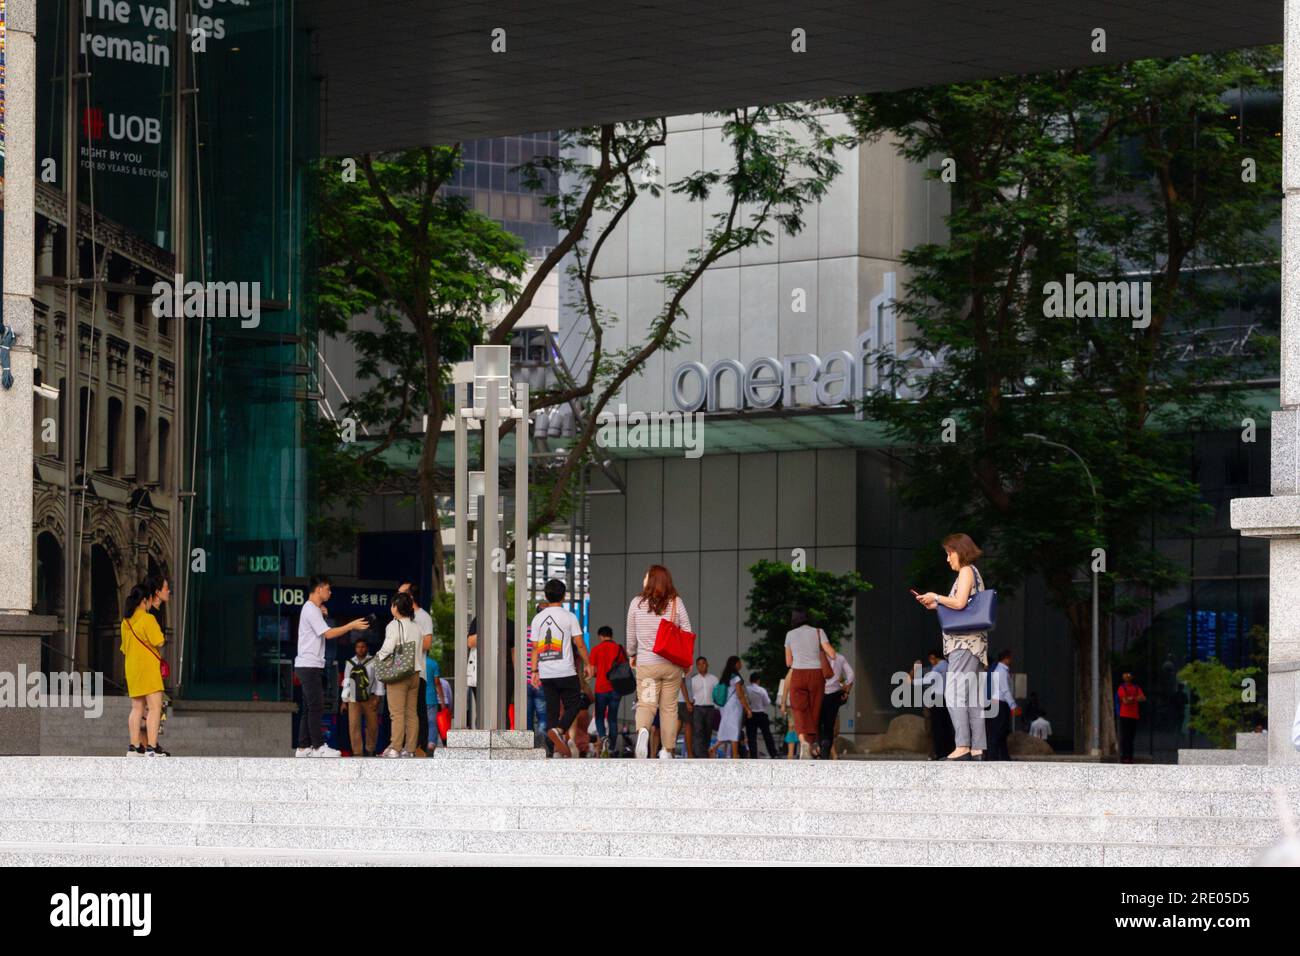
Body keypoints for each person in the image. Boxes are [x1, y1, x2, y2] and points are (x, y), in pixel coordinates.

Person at [915, 533, 988, 761]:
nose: (948, 559)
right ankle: (977, 748)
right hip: (975, 645)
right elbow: (961, 608)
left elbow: (959, 603)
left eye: (949, 553)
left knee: (954, 693)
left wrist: (936, 596)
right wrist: (936, 604)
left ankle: (963, 746)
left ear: (960, 551)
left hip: (963, 643)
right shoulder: (973, 572)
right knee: (973, 697)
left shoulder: (966, 571)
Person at [295, 574, 369, 757]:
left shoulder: (312, 608)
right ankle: (319, 747)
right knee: (316, 706)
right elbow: (328, 634)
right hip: (309, 665)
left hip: (308, 665)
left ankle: (303, 748)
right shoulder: (311, 609)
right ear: (319, 588)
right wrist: (351, 625)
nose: (330, 592)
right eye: (328, 589)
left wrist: (321, 610)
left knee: (309, 707)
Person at [626, 564, 691, 760]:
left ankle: (643, 731)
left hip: (646, 665)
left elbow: (631, 635)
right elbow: (687, 631)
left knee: (646, 704)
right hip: (671, 665)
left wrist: (632, 654)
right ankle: (667, 749)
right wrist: (686, 661)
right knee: (669, 708)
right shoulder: (676, 603)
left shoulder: (636, 603)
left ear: (651, 580)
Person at [528, 579, 590, 756]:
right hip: (566, 671)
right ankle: (560, 731)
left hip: (546, 672)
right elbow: (579, 644)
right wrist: (589, 664)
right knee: (575, 703)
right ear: (563, 596)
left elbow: (534, 648)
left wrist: (534, 671)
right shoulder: (569, 616)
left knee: (552, 710)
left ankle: (554, 749)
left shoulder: (538, 618)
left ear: (546, 596)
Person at [121, 575, 170, 757]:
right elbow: (160, 641)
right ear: (144, 600)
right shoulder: (148, 620)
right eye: (149, 600)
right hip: (148, 669)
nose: (151, 603)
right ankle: (151, 747)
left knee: (136, 708)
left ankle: (134, 747)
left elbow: (124, 648)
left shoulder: (125, 623)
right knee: (155, 707)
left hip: (132, 669)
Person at [784, 607, 836, 759]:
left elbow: (788, 662)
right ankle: (811, 742)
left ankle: (803, 742)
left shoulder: (790, 635)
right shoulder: (818, 631)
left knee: (798, 709)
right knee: (814, 710)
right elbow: (832, 654)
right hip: (816, 675)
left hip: (798, 674)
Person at [376, 591, 422, 757]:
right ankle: (409, 749)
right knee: (411, 713)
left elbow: (388, 648)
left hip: (399, 674)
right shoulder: (417, 627)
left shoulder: (394, 625)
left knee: (396, 713)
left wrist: (378, 658)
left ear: (395, 607)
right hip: (414, 673)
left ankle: (395, 747)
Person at [397, 582, 435, 755]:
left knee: (418, 710)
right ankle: (403, 745)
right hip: (400, 672)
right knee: (401, 710)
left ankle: (420, 746)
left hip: (417, 671)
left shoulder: (423, 617)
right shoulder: (398, 618)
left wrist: (408, 644)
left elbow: (428, 643)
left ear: (410, 597)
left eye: (401, 594)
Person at [588, 625, 625, 755]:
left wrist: (599, 673)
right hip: (616, 689)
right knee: (612, 718)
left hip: (601, 688)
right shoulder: (619, 649)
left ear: (600, 636)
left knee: (599, 716)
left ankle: (603, 738)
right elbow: (623, 670)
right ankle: (611, 746)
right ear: (611, 635)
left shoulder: (596, 650)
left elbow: (592, 672)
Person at [342, 638, 381, 756]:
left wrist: (378, 697)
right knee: (354, 725)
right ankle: (357, 752)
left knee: (373, 725)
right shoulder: (350, 662)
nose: (361, 649)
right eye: (358, 647)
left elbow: (379, 679)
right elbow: (347, 681)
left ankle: (370, 749)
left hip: (370, 697)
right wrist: (344, 700)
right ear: (355, 649)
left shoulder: (374, 661)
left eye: (363, 646)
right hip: (353, 698)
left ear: (367, 648)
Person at [709, 656, 750, 759]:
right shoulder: (735, 677)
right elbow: (740, 694)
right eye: (739, 663)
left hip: (725, 707)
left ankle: (714, 748)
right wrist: (747, 708)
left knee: (727, 729)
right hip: (734, 706)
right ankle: (735, 754)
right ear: (735, 664)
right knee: (734, 730)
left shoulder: (725, 677)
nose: (741, 665)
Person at [819, 649, 855, 760]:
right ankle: (825, 753)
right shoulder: (840, 658)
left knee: (818, 724)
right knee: (829, 726)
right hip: (835, 695)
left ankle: (820, 746)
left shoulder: (817, 658)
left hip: (819, 694)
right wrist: (845, 689)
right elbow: (851, 675)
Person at [917, 651, 953, 760]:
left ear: (936, 658)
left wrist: (912, 681)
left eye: (932, 659)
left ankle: (940, 753)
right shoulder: (950, 666)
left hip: (937, 698)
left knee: (937, 727)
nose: (931, 661)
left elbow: (927, 680)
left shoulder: (938, 667)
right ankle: (948, 751)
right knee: (947, 726)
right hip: (947, 698)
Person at [982, 649, 1017, 761]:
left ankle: (1003, 757)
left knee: (1000, 732)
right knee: (997, 732)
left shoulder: (999, 669)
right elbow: (1005, 690)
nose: (1012, 660)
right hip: (999, 704)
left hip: (996, 703)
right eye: (1011, 657)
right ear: (1006, 658)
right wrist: (1013, 705)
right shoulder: (1001, 671)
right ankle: (992, 757)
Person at [687, 657, 718, 758]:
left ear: (707, 664)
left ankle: (704, 752)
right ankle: (700, 755)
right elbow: (689, 694)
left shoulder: (714, 679)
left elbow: (717, 694)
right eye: (699, 664)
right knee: (698, 731)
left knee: (707, 731)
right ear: (697, 666)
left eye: (703, 663)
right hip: (697, 708)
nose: (702, 666)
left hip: (710, 708)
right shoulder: (693, 680)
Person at [745, 674, 779, 758]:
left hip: (750, 714)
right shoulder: (762, 690)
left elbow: (744, 699)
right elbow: (767, 702)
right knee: (767, 735)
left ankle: (753, 755)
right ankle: (773, 753)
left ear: (750, 680)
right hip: (761, 714)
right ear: (758, 680)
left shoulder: (747, 689)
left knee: (751, 736)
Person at [1116, 671, 1146, 764]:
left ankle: (1129, 757)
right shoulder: (1122, 688)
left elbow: (1143, 698)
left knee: (1131, 737)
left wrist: (1131, 698)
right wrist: (1135, 698)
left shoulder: (1136, 687)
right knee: (1125, 737)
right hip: (1125, 715)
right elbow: (1125, 701)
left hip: (1134, 716)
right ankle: (1125, 756)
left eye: (1129, 675)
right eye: (1125, 675)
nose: (1127, 677)